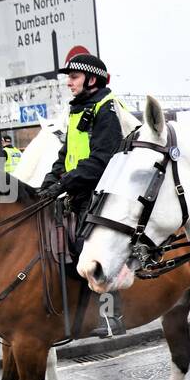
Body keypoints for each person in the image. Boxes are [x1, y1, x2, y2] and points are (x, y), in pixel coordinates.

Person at [40, 53, 127, 337]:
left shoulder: (106, 108)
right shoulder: (78, 109)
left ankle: (111, 315)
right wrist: (49, 183)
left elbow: (101, 160)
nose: (69, 83)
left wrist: (65, 184)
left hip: (103, 190)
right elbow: (66, 155)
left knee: (96, 249)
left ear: (91, 79)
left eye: (73, 77)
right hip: (79, 189)